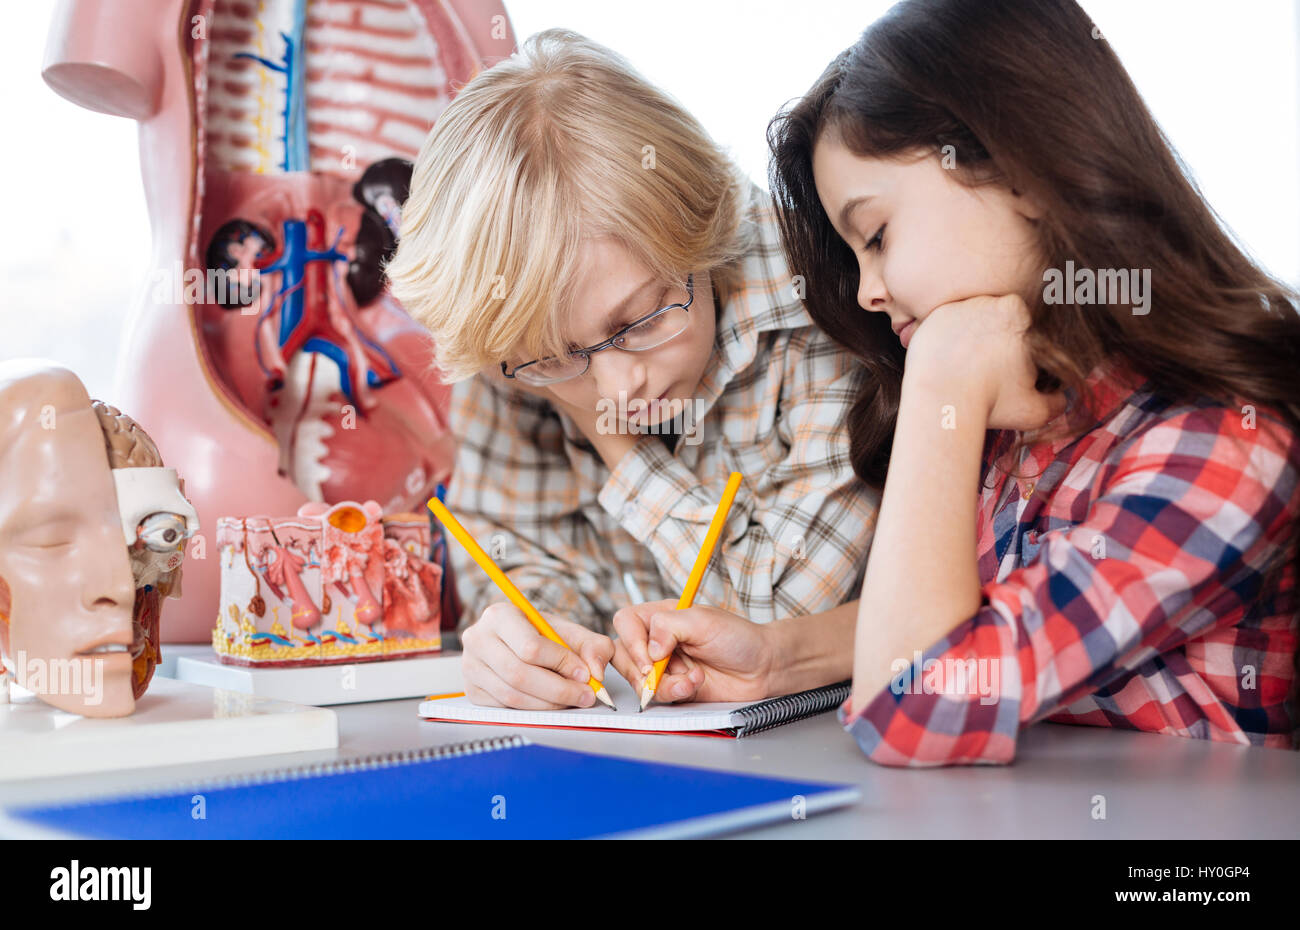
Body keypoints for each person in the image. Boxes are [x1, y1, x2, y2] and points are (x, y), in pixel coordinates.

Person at [616, 0, 1300, 763]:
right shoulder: (1031, 416)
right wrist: (780, 658)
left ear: (1018, 171)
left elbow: (909, 706)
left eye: (875, 237)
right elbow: (986, 618)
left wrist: (943, 380)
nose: (869, 292)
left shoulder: (1222, 446)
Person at [386, 30, 881, 710]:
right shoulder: (512, 339)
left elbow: (773, 621)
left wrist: (608, 435)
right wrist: (534, 643)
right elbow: (522, 561)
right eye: (557, 357)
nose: (619, 388)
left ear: (698, 232)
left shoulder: (827, 297)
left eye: (642, 321)